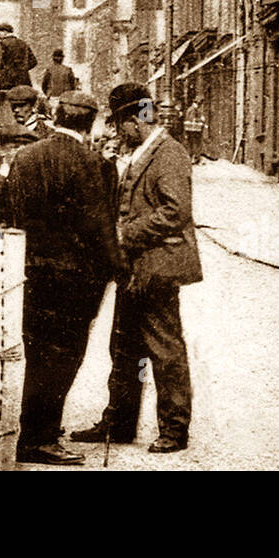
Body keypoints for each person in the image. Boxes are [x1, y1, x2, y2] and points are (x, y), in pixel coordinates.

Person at [71, 83, 202, 455]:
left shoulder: (170, 153)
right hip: (135, 268)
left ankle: (175, 430)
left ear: (133, 120)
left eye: (118, 124)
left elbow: (176, 212)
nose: (115, 132)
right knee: (125, 348)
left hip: (158, 266)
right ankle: (119, 422)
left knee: (164, 349)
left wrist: (124, 233)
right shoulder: (144, 150)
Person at [0, 90, 123, 465]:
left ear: (57, 117)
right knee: (64, 358)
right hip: (75, 279)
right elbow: (99, 228)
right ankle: (40, 438)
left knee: (36, 354)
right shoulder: (94, 163)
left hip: (31, 271)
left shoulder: (26, 156)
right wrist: (115, 269)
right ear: (90, 123)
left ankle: (35, 430)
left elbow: (11, 210)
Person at [0, 23, 36, 122]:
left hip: (7, 82)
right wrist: (22, 70)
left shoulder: (2, 44)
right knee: (24, 104)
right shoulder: (23, 43)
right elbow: (34, 61)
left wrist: (0, 76)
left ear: (4, 32)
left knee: (4, 108)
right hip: (24, 81)